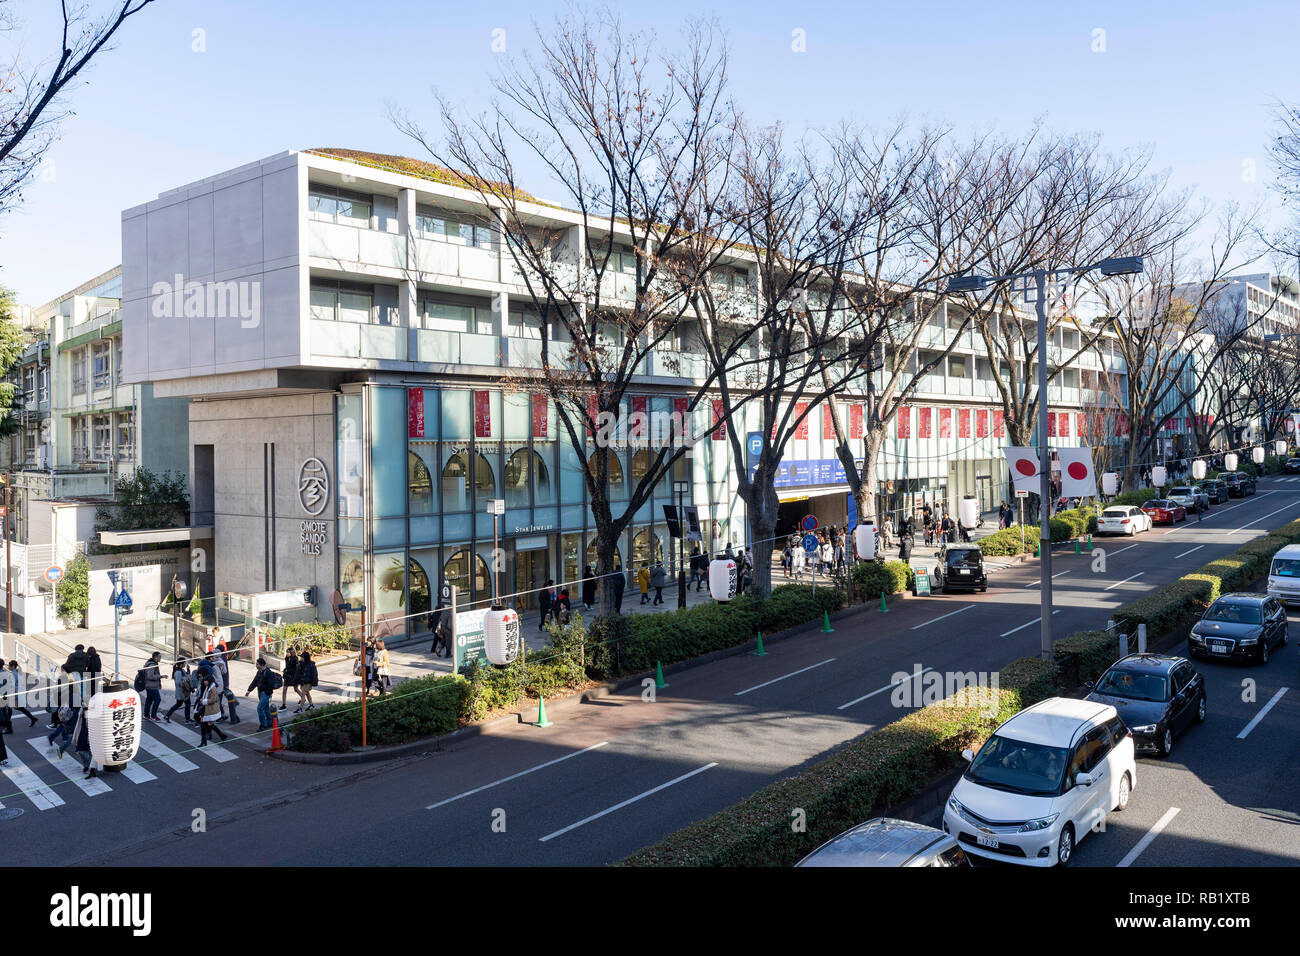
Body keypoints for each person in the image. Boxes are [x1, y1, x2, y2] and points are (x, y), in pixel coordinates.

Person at [66, 706, 97, 778]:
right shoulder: (82, 710)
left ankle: (92, 768)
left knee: (91, 751)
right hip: (82, 732)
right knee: (81, 750)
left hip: (91, 733)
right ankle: (88, 765)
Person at [246, 657, 276, 731]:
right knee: (265, 708)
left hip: (265, 693)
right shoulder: (259, 672)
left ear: (262, 665)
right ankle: (269, 723)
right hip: (260, 692)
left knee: (259, 709)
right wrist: (249, 690)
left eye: (257, 664)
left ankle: (263, 725)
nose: (256, 666)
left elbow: (270, 684)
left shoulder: (268, 672)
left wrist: (267, 692)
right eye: (256, 664)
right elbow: (255, 681)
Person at [197, 676, 228, 747]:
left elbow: (214, 699)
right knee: (206, 725)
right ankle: (221, 736)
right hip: (206, 709)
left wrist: (204, 701)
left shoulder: (212, 688)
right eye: (204, 681)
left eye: (206, 680)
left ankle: (205, 741)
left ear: (210, 681)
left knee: (207, 725)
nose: (204, 682)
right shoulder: (208, 687)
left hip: (209, 709)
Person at [4, 661, 37, 728]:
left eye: (9, 666)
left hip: (15, 693)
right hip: (18, 692)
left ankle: (8, 724)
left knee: (13, 708)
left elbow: (12, 686)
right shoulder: (17, 672)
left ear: (13, 666)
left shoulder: (13, 674)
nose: (8, 667)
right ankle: (32, 718)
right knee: (15, 708)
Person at [142, 651, 164, 722]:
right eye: (159, 657)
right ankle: (153, 716)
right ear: (155, 657)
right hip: (152, 686)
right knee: (157, 699)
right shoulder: (152, 665)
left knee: (149, 700)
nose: (160, 658)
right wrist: (160, 676)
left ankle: (146, 715)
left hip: (149, 685)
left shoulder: (152, 663)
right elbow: (150, 676)